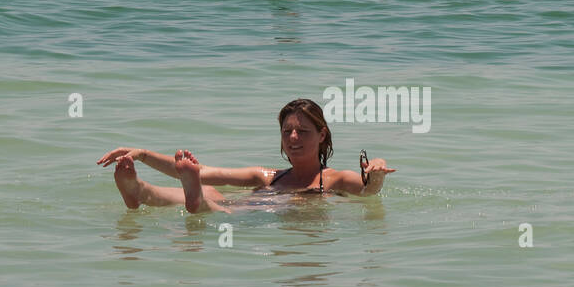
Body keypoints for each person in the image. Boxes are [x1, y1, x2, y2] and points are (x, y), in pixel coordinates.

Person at [97, 98, 396, 214]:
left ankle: (197, 202)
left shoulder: (333, 179)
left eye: (302, 132)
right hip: (253, 203)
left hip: (262, 216)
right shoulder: (266, 176)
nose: (293, 138)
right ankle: (139, 191)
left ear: (321, 136)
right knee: (207, 185)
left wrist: (377, 171)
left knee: (227, 208)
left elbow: (368, 190)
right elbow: (194, 169)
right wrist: (143, 154)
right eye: (287, 131)